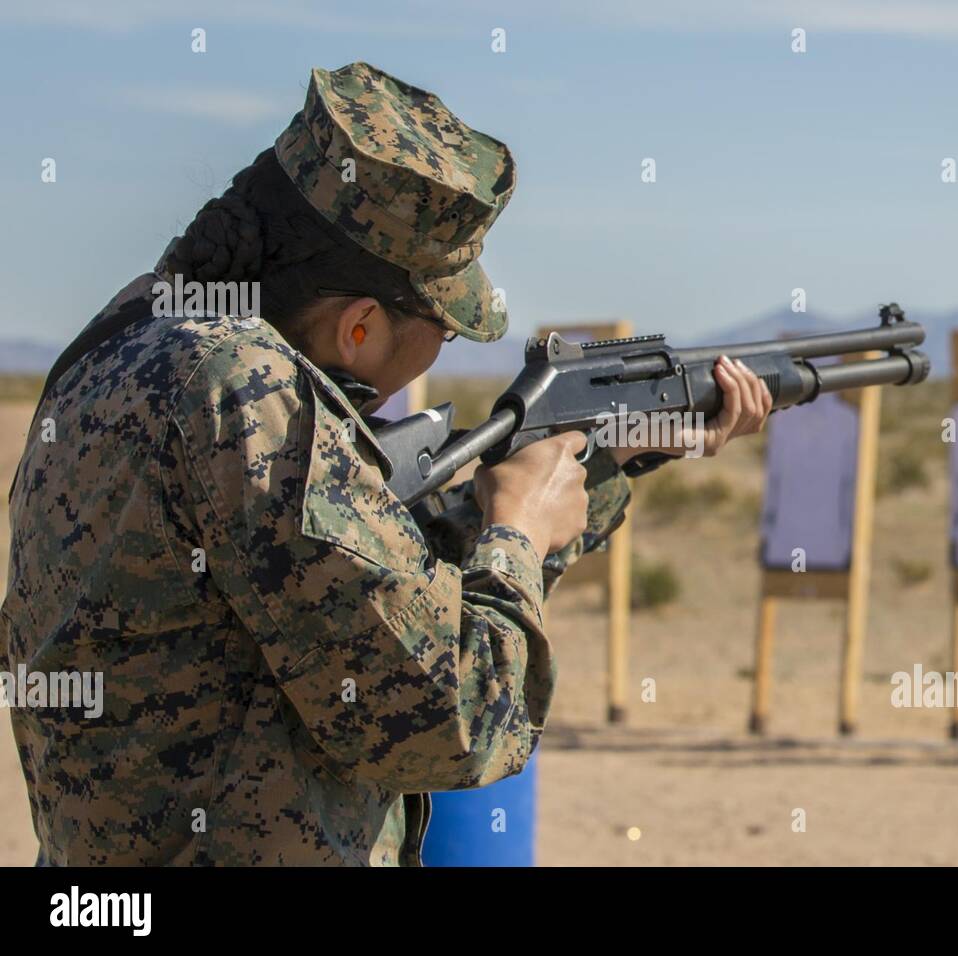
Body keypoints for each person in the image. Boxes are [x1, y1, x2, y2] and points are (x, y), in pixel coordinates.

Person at [1, 61, 772, 865]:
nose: (442, 344)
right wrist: (516, 537)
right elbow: (455, 722)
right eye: (439, 326)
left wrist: (606, 462)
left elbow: (334, 587)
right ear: (360, 327)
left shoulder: (123, 343)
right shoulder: (252, 392)